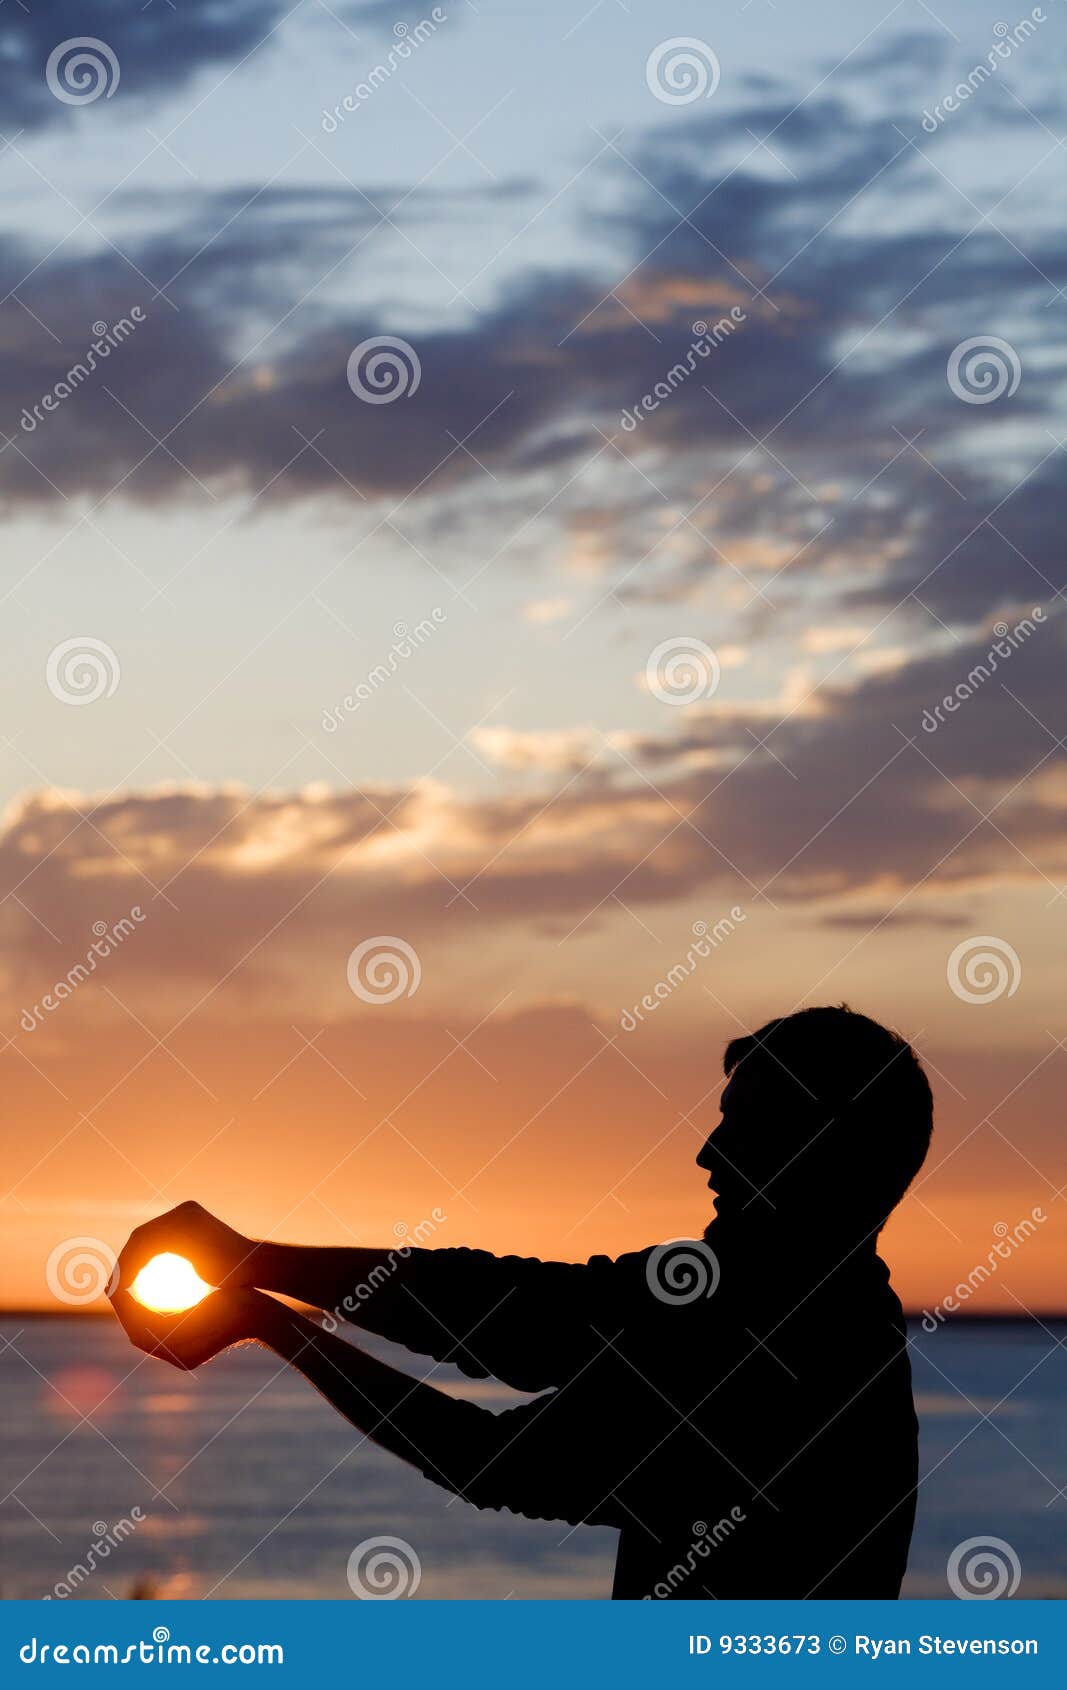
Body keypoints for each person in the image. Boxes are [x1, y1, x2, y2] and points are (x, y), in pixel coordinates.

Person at [109, 1003, 932, 1599]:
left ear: (827, 1153)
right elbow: (518, 1316)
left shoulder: (789, 1342)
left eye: (746, 1129)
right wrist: (263, 1282)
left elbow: (494, 1444)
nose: (708, 1154)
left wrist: (267, 1307)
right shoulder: (769, 1303)